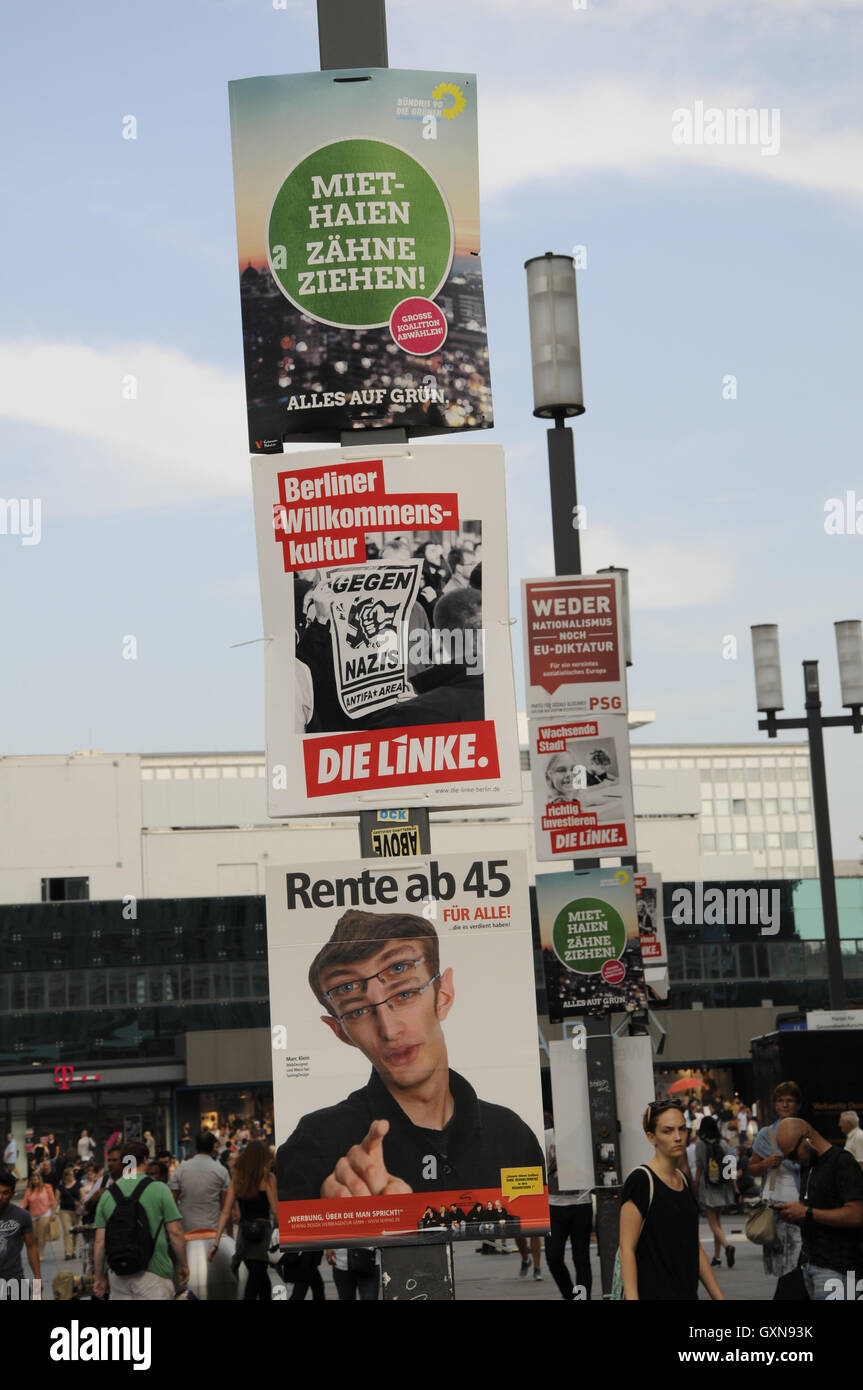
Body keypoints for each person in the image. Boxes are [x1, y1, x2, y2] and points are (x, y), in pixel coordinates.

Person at [276, 909, 545, 1205]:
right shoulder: (315, 1145)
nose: (389, 1030)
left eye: (404, 994)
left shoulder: (511, 1136)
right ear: (340, 1032)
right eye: (357, 1011)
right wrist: (332, 1219)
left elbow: (530, 1225)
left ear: (443, 995)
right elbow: (296, 1245)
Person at [618, 1100, 725, 1301]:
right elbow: (626, 1249)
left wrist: (719, 1297)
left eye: (682, 1129)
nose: (678, 1137)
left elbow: (695, 1247)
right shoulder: (641, 1181)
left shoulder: (683, 1180)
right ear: (651, 1137)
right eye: (667, 1131)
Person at [775, 1117, 863, 1300]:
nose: (794, 1161)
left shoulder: (842, 1162)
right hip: (811, 1264)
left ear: (807, 1137)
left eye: (793, 1154)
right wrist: (796, 1215)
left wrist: (806, 1212)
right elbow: (818, 1213)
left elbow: (857, 1214)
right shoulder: (810, 1166)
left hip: (838, 1268)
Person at [93, 1140, 188, 1300]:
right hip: (154, 1273)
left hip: (118, 1274)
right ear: (145, 1160)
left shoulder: (108, 1195)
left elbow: (99, 1242)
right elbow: (175, 1232)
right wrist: (183, 1264)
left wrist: (99, 1277)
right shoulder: (160, 1189)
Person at [750, 1080, 804, 1299]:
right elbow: (752, 1168)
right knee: (786, 1264)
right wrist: (765, 1164)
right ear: (775, 1105)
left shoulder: (805, 1132)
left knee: (798, 1261)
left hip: (802, 1205)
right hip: (776, 1207)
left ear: (797, 1105)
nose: (784, 1105)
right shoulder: (766, 1135)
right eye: (780, 1101)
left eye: (789, 1101)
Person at [208, 1140, 277, 1301]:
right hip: (262, 1235)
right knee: (256, 1279)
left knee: (260, 1278)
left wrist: (215, 1243)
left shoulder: (238, 1180)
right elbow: (275, 1210)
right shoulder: (268, 1179)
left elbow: (225, 1212)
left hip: (244, 1236)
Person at [694, 1115, 738, 1266]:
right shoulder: (724, 1144)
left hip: (708, 1188)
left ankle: (727, 1247)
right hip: (723, 1187)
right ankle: (717, 1257)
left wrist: (694, 1188)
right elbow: (730, 1167)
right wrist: (735, 1187)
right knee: (718, 1223)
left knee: (712, 1223)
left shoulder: (700, 1145)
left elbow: (699, 1168)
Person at [169, 1131, 231, 1233]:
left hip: (186, 1229)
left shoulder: (181, 1169)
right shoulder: (221, 1171)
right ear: (213, 1146)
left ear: (196, 1146)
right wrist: (230, 1234)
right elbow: (225, 1207)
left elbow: (172, 1203)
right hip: (213, 1230)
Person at [0, 1171, 40, 1295]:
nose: (0, 1197)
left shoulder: (22, 1216)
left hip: (15, 1280)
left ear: (12, 1194)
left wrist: (37, 1279)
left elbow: (31, 1246)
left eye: (5, 1193)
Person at [20, 1171, 55, 1257]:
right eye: (32, 1180)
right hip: (33, 1215)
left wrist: (53, 1214)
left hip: (45, 1213)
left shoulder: (47, 1187)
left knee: (41, 1235)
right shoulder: (29, 1190)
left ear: (40, 1179)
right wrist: (18, 1210)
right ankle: (35, 1252)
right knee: (34, 1237)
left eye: (36, 1179)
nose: (34, 1181)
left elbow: (53, 1201)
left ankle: (40, 1254)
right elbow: (24, 1203)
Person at [57, 1165, 82, 1260]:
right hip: (64, 1210)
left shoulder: (78, 1184)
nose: (72, 1176)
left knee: (75, 1231)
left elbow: (82, 1196)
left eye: (73, 1174)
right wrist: (52, 1213)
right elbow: (56, 1200)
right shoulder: (60, 1187)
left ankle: (74, 1250)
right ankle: (68, 1252)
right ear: (66, 1176)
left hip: (76, 1211)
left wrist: (82, 1202)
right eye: (70, 1175)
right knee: (68, 1231)